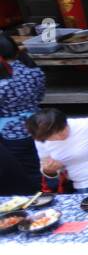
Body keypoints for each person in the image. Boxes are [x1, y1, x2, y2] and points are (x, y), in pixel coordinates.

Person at [0, 35, 46, 193]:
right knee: (43, 161)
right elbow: (40, 96)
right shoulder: (33, 71)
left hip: (12, 131)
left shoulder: (3, 79)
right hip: (39, 123)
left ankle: (37, 197)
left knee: (27, 169)